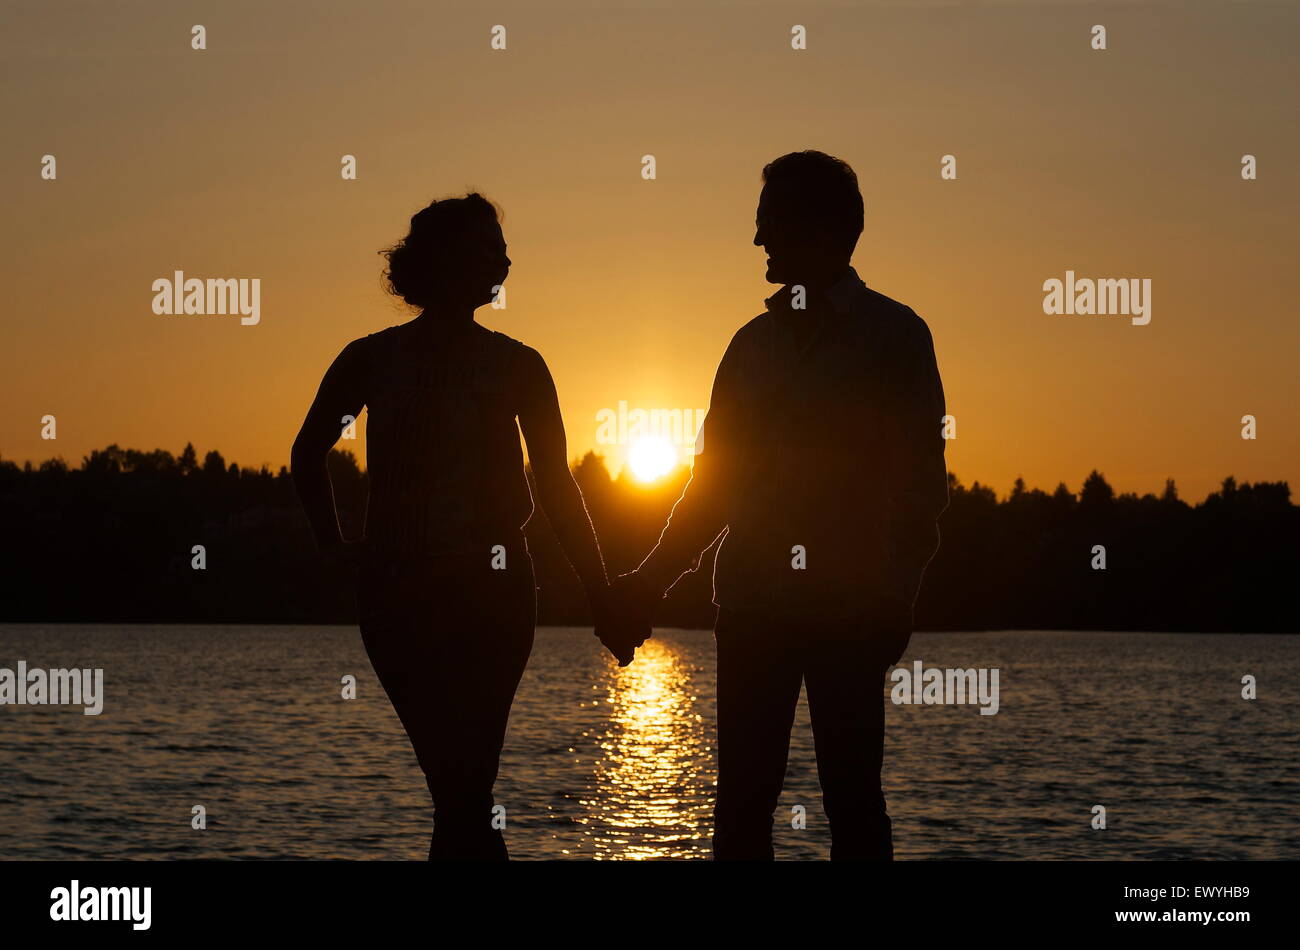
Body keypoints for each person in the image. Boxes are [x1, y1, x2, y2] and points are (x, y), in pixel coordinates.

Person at [610, 151, 949, 860]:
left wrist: (897, 598)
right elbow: (714, 488)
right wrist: (646, 582)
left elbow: (921, 486)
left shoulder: (896, 339)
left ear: (821, 229)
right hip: (753, 609)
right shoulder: (750, 347)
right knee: (741, 807)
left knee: (853, 804)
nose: (758, 240)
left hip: (852, 611)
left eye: (769, 224)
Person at [291, 193, 646, 860]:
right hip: (400, 595)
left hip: (493, 595)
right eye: (488, 246)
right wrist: (332, 548)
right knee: (460, 790)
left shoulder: (519, 366)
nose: (505, 259)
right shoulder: (371, 359)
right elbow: (307, 453)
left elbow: (556, 489)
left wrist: (602, 593)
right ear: (445, 260)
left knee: (464, 790)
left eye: (503, 248)